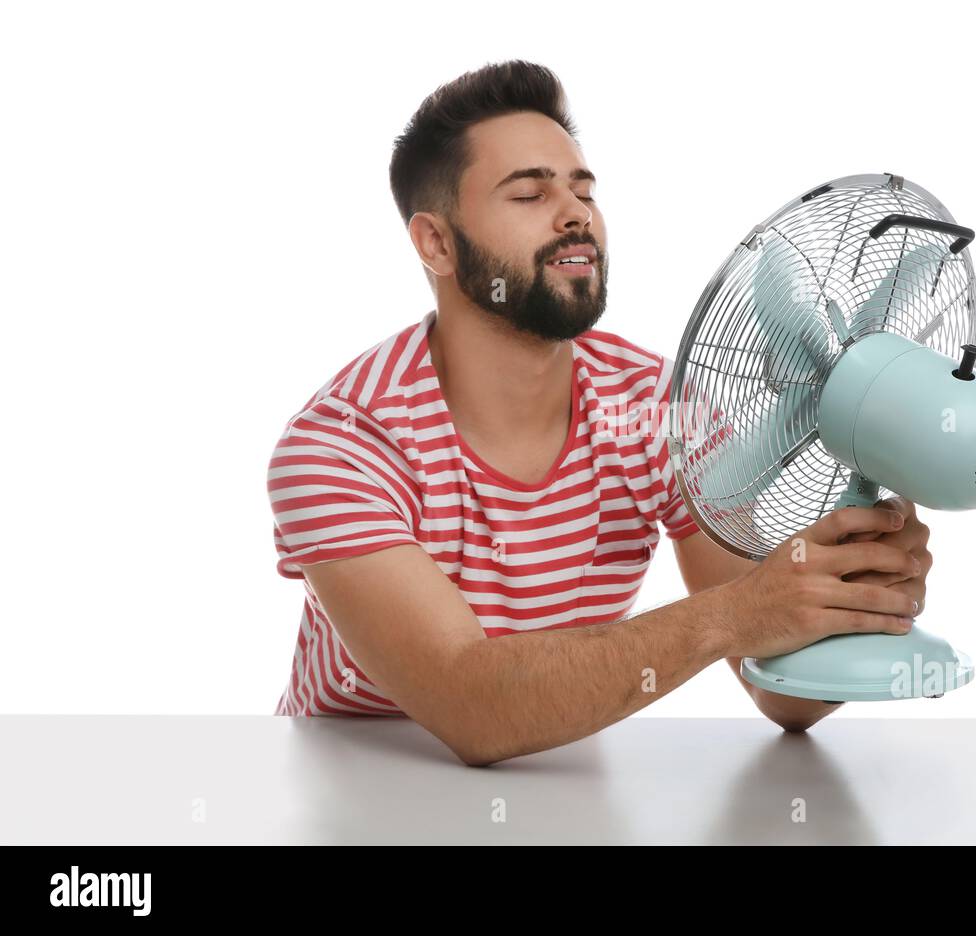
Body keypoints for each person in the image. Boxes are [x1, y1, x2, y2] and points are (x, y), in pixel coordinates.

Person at [266, 60, 932, 766]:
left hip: (562, 786)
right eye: (529, 194)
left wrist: (850, 604)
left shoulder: (658, 410)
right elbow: (473, 710)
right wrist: (733, 616)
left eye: (585, 191)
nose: (576, 213)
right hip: (347, 791)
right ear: (436, 242)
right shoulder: (339, 449)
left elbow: (784, 695)